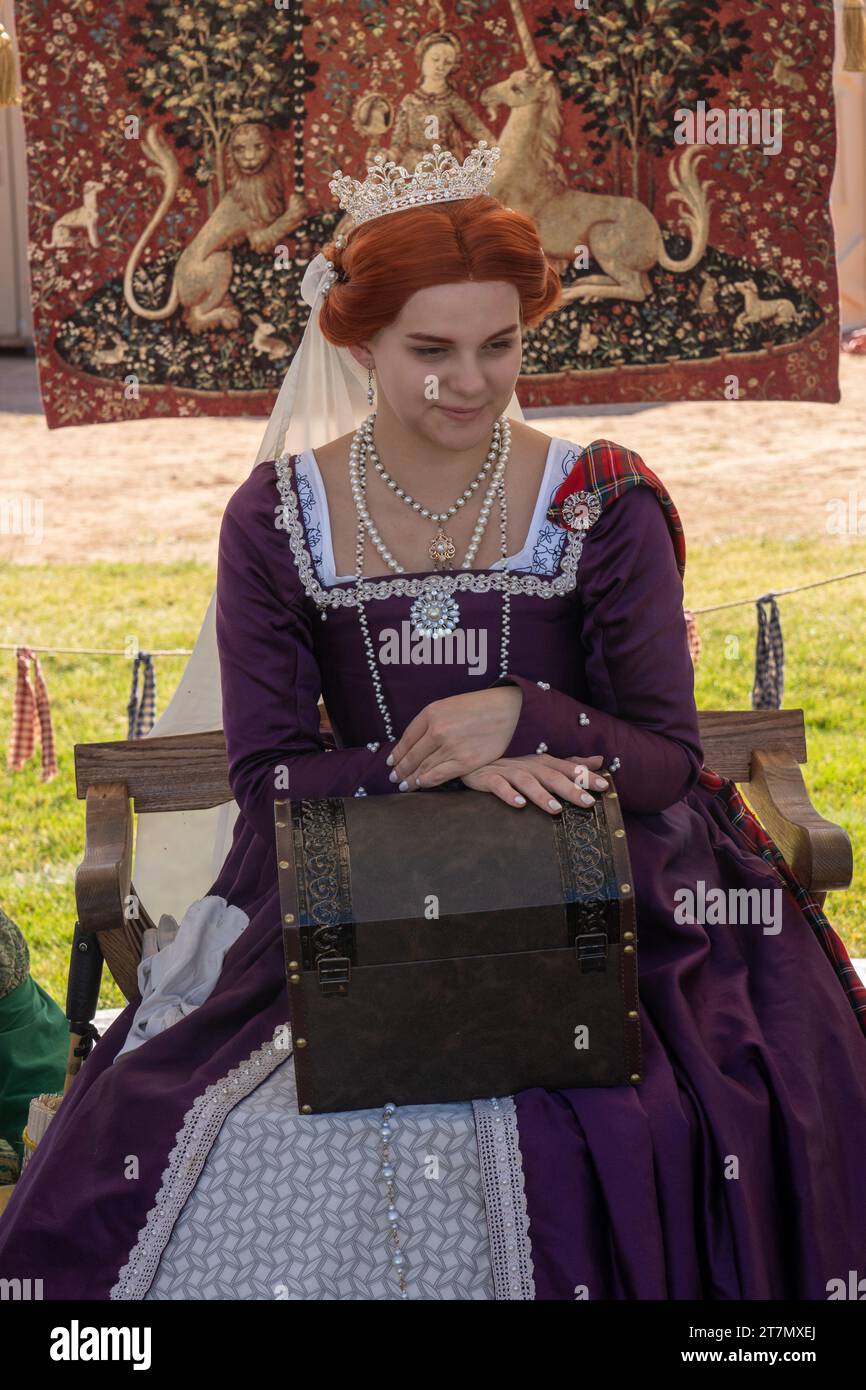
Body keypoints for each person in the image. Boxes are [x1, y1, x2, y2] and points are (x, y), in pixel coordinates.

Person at [1, 141, 865, 1301]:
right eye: (430, 350)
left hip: (622, 881)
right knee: (213, 1132)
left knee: (666, 1113)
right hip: (353, 873)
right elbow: (269, 778)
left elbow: (662, 758)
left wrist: (530, 714)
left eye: (498, 344)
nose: (471, 381)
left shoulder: (601, 497)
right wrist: (427, 770)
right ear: (355, 344)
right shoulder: (277, 518)